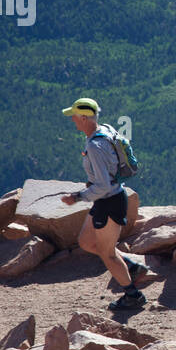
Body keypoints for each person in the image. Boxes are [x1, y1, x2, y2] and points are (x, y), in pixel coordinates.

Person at [59, 98, 149, 312]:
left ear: (84, 118)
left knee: (107, 253)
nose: (72, 119)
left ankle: (132, 295)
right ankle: (131, 267)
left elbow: (102, 185)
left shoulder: (95, 145)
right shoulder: (104, 131)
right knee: (86, 241)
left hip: (109, 201)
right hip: (106, 199)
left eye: (74, 116)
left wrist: (77, 197)